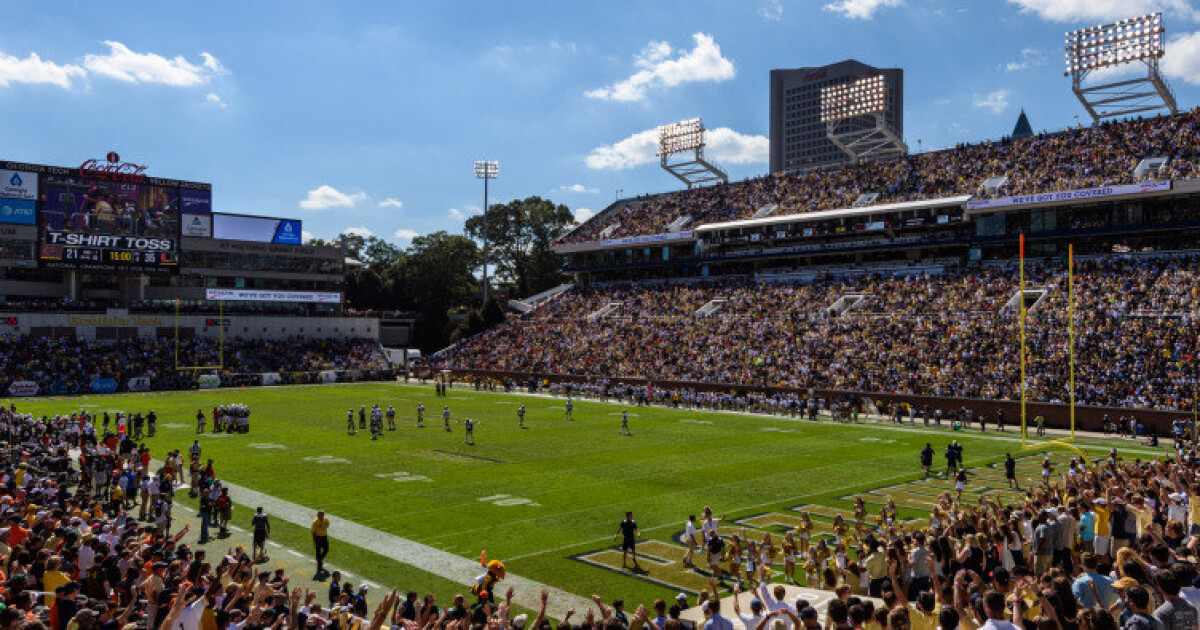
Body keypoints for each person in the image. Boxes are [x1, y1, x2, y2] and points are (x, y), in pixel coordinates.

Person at [312, 509, 331, 580]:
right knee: (318, 552)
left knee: (326, 549)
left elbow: (328, 524)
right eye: (320, 515)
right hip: (318, 538)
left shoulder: (326, 520)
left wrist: (325, 527)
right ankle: (319, 566)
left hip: (324, 537)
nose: (322, 516)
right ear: (318, 515)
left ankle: (319, 559)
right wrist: (314, 540)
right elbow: (313, 532)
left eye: (323, 515)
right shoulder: (315, 522)